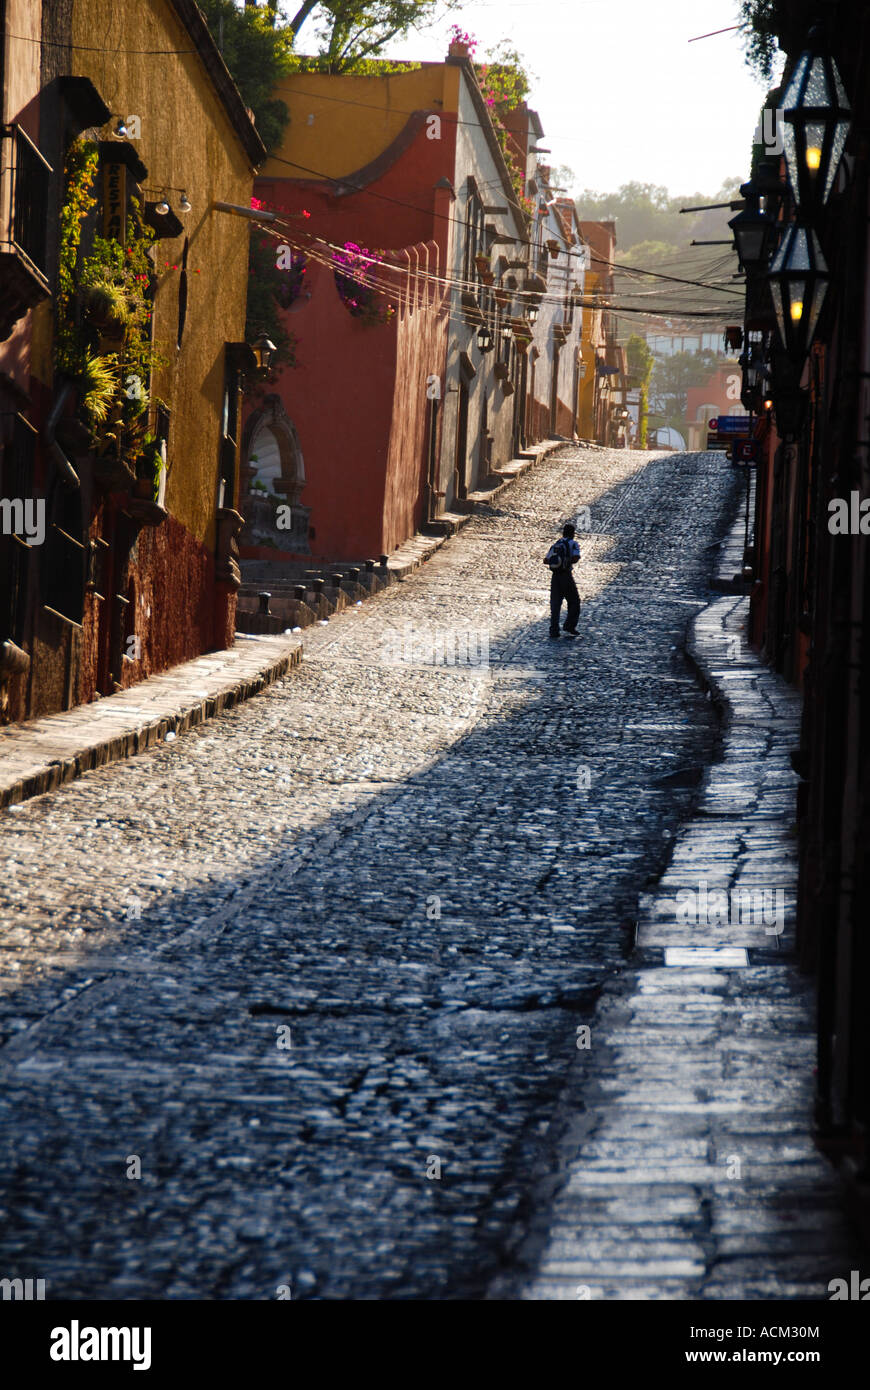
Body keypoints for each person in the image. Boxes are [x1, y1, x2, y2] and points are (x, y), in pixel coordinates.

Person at [544, 523, 581, 639]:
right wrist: (567, 561)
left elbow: (546, 560)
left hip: (555, 577)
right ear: (573, 533)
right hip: (566, 575)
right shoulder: (573, 544)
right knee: (574, 600)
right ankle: (569, 625)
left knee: (555, 604)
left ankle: (554, 630)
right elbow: (575, 558)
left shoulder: (556, 544)